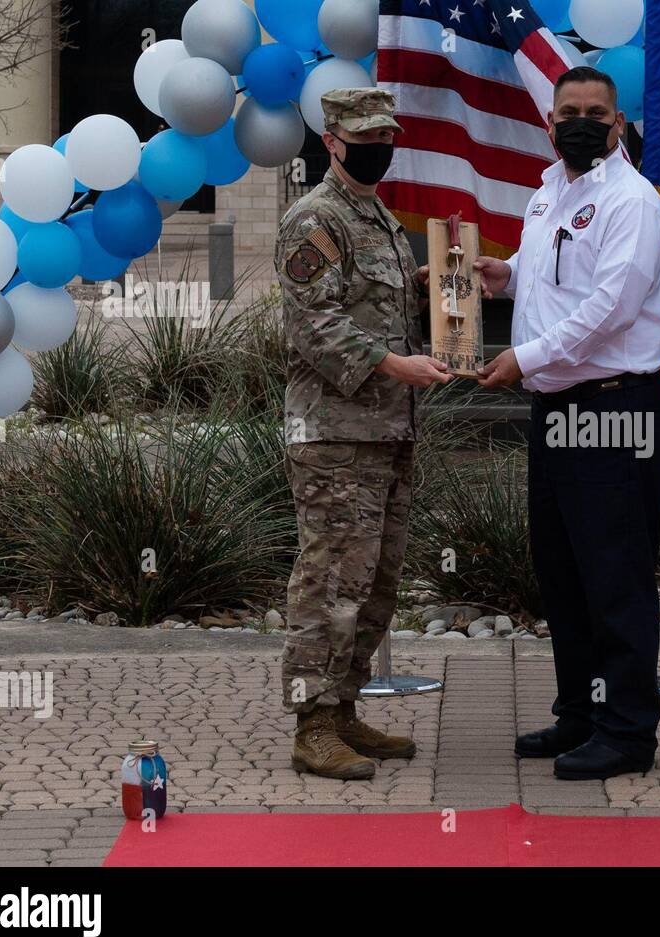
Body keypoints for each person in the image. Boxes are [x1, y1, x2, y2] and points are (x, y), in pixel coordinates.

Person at [473, 66, 660, 781]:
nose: (581, 121)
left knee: (615, 572)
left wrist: (522, 357)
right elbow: (552, 277)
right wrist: (507, 275)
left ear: (617, 125)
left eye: (596, 111)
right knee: (563, 568)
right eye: (570, 111)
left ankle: (627, 731)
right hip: (557, 409)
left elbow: (610, 308)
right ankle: (582, 712)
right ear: (551, 121)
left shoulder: (633, 200)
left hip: (615, 407)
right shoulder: (548, 191)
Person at [277, 87, 452, 780]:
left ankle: (343, 707)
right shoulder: (314, 217)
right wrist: (393, 364)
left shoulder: (374, 214)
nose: (380, 147)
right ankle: (311, 722)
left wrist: (427, 282)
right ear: (332, 139)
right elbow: (314, 323)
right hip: (336, 434)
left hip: (387, 427)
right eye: (366, 136)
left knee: (375, 580)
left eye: (387, 135)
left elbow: (366, 298)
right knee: (329, 580)